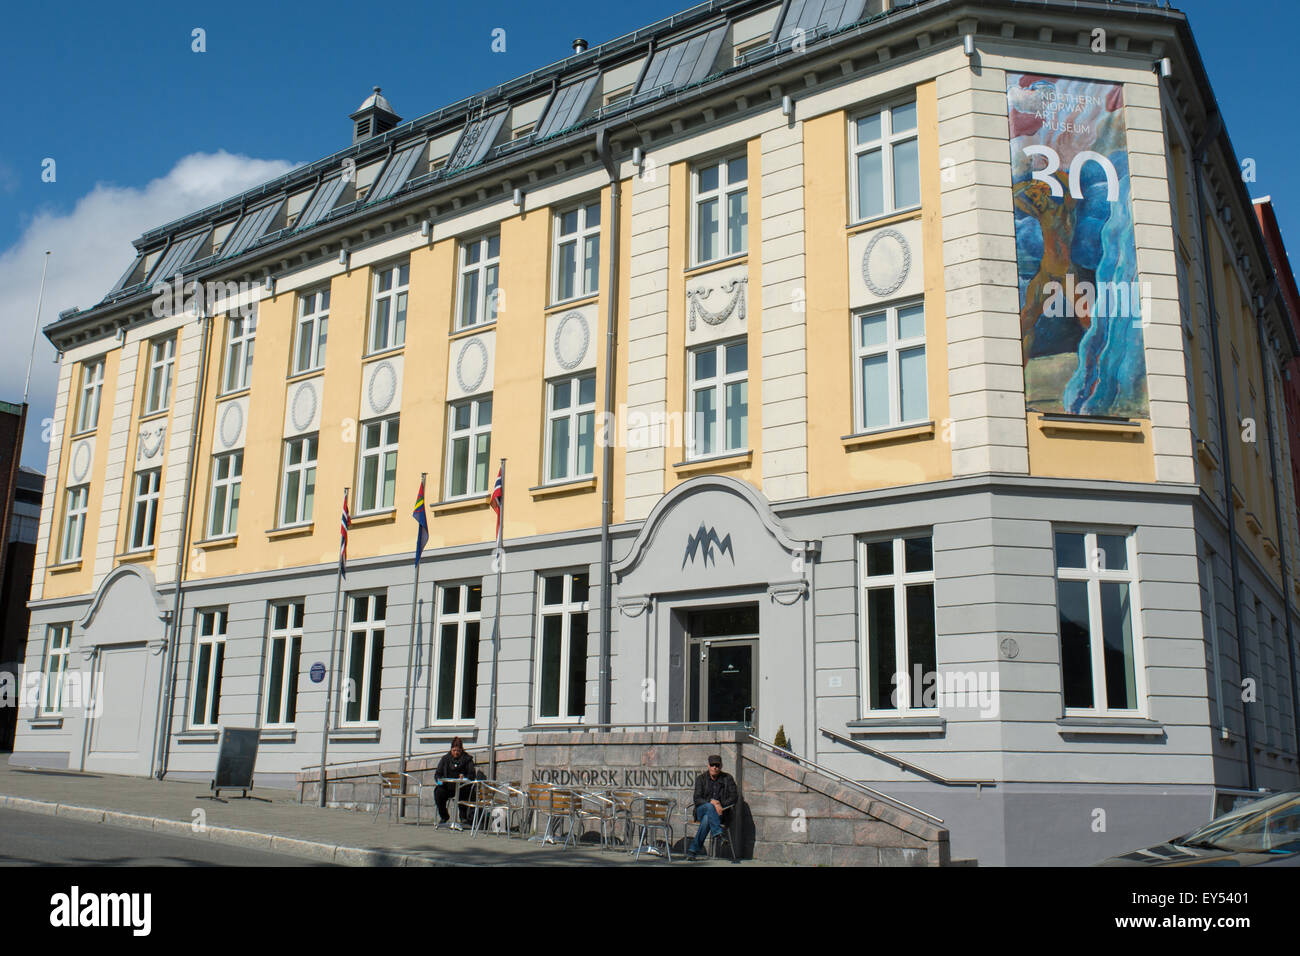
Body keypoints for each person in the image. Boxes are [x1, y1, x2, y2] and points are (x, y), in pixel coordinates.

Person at [686, 754, 738, 860]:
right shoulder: (701, 779)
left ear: (721, 766)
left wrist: (720, 805)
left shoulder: (728, 778)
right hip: (701, 810)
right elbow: (697, 799)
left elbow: (734, 797)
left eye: (717, 765)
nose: (715, 767)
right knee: (709, 806)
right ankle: (718, 833)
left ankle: (692, 851)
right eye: (712, 765)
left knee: (707, 819)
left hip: (721, 813)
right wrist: (713, 803)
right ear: (708, 766)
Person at [433, 738, 476, 829]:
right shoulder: (445, 759)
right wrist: (440, 781)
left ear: (462, 750)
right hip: (447, 787)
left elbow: (472, 775)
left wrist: (464, 777)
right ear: (451, 749)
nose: (456, 753)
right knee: (438, 792)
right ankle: (444, 816)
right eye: (454, 750)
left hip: (462, 787)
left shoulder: (467, 759)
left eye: (458, 751)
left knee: (467, 793)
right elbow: (437, 774)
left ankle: (463, 817)